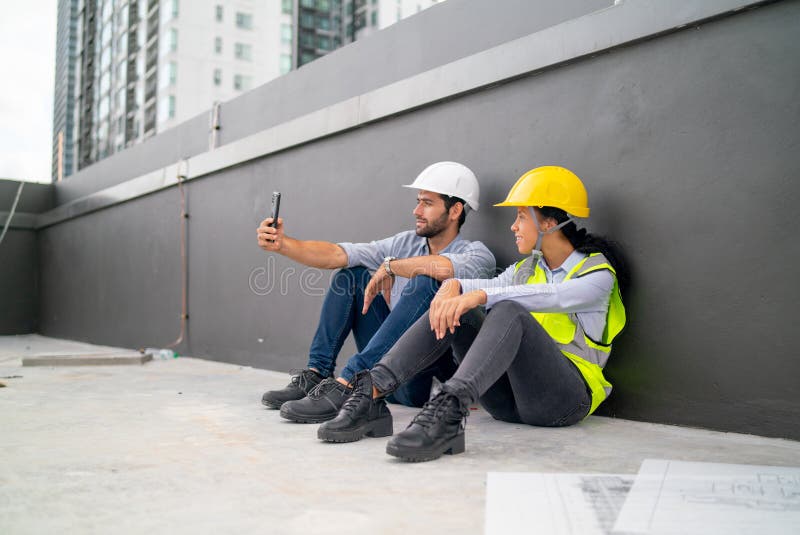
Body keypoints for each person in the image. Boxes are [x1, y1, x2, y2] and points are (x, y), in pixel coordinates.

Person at [317, 166, 628, 462]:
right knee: (457, 306)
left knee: (509, 310)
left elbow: (554, 296)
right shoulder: (526, 269)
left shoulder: (597, 274)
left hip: (562, 402)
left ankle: (450, 408)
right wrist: (454, 285)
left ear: (548, 223)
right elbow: (489, 285)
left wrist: (477, 294)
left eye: (521, 216)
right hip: (508, 402)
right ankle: (373, 390)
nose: (513, 227)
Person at [256, 162, 496, 424]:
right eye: (417, 201)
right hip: (383, 372)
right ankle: (317, 374)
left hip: (424, 380)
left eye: (427, 203)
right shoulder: (404, 243)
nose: (416, 210)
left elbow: (444, 267)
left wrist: (392, 267)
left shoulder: (477, 255)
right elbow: (338, 254)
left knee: (426, 282)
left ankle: (348, 383)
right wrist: (283, 245)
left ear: (455, 210)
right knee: (352, 275)